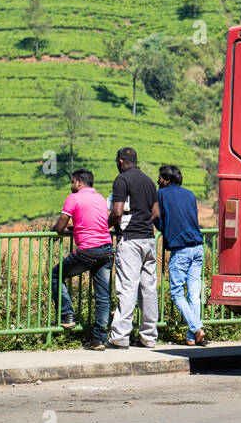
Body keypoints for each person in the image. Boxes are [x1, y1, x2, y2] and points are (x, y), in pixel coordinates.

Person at [51, 169, 115, 349]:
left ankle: (67, 316)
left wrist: (56, 229)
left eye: (73, 182)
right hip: (106, 250)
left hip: (87, 251)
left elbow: (61, 225)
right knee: (103, 297)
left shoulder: (74, 197)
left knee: (56, 275)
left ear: (79, 182)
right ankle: (99, 339)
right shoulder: (101, 199)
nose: (72, 185)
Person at [106, 147, 160, 349]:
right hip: (148, 239)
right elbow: (156, 213)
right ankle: (149, 336)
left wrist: (106, 225)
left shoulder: (121, 180)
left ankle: (120, 337)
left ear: (120, 161)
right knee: (148, 289)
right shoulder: (148, 181)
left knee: (127, 288)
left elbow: (117, 212)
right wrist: (143, 221)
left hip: (129, 241)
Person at [156, 164, 208, 347]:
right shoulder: (190, 194)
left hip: (181, 249)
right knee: (194, 294)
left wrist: (162, 227)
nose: (158, 180)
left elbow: (156, 216)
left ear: (166, 180)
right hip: (198, 247)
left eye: (160, 178)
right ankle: (192, 336)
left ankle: (197, 328)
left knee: (177, 294)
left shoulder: (161, 194)